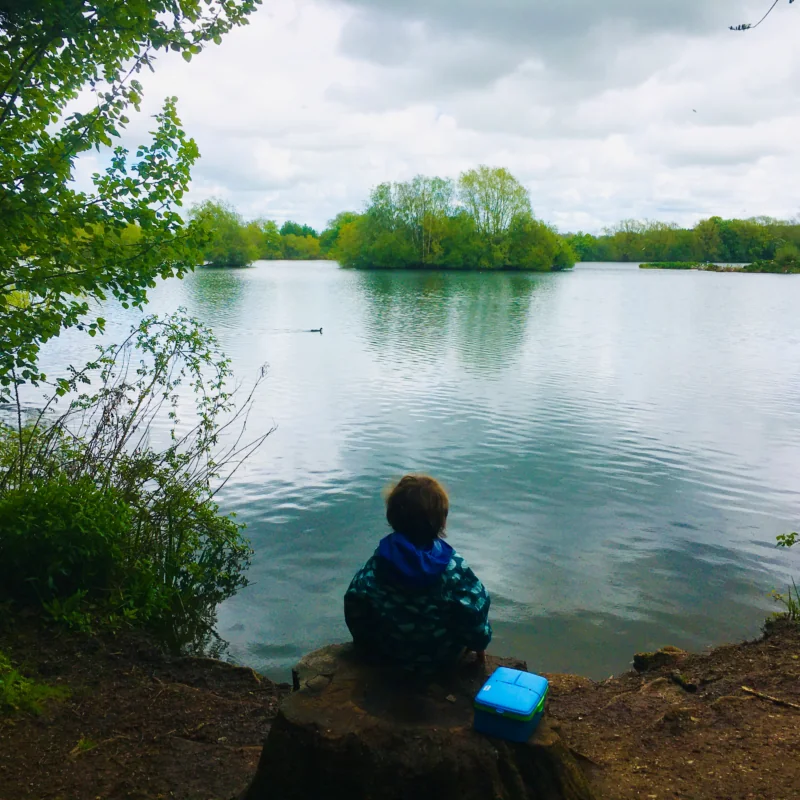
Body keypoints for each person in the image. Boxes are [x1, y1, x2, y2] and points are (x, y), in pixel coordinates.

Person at [344, 474, 492, 674]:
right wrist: (480, 644)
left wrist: (364, 643)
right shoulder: (453, 567)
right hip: (442, 659)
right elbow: (475, 609)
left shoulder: (379, 562)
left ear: (391, 517)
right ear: (442, 522)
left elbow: (354, 600)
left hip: (388, 654)